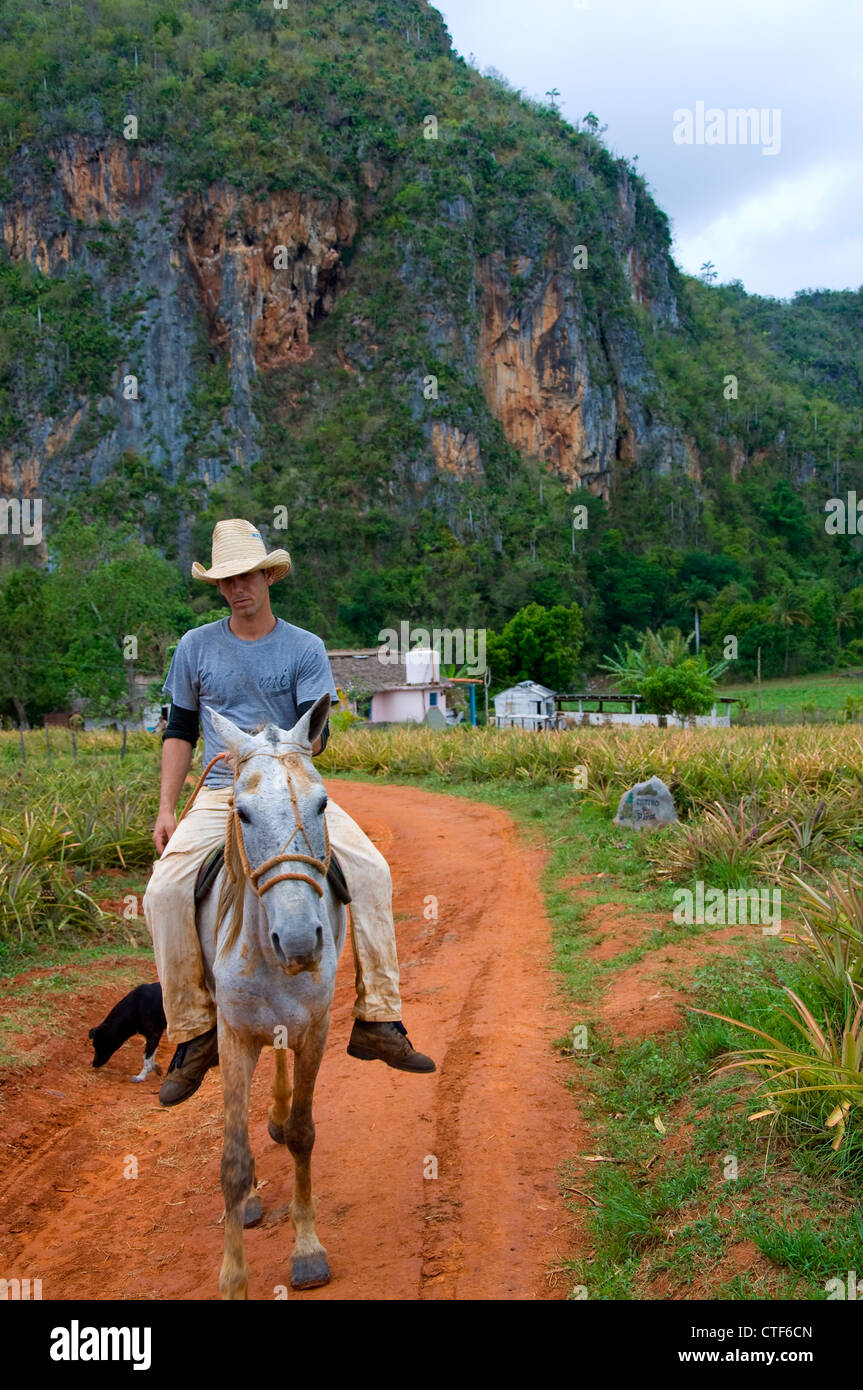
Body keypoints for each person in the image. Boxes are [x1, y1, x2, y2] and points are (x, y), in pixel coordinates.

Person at [142, 519, 435, 1106]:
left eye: (245, 576)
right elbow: (180, 728)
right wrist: (167, 807)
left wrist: (276, 746)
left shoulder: (304, 647)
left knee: (373, 872)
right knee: (164, 891)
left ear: (268, 575)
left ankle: (378, 1018)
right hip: (225, 790)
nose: (235, 589)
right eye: (224, 581)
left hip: (294, 787)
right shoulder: (195, 647)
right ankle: (195, 1032)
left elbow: (316, 736)